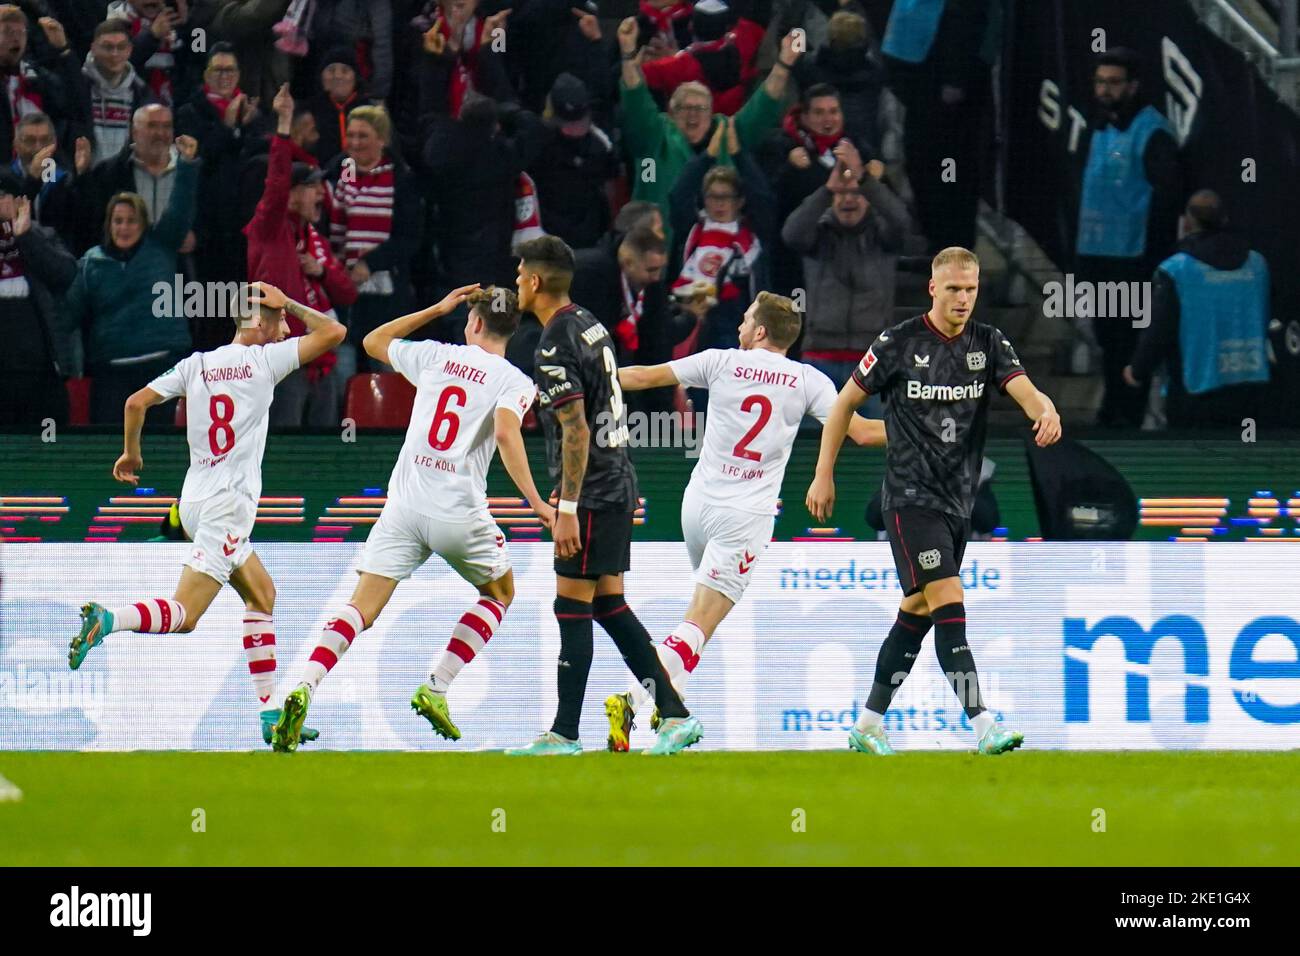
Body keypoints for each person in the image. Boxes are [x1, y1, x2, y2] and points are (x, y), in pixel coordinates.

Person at [270, 286, 554, 750]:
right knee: (500, 593)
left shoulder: (437, 356)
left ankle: (303, 685)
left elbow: (372, 342)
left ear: (475, 323)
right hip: (458, 510)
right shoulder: (517, 382)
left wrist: (436, 307)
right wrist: (537, 502)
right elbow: (506, 432)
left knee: (360, 609)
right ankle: (436, 686)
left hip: (404, 506)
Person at [806, 246, 1062, 756]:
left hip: (958, 502)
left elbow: (1026, 390)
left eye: (970, 289)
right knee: (949, 600)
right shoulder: (899, 342)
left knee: (916, 611)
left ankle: (867, 724)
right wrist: (822, 475)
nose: (963, 298)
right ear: (932, 289)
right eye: (953, 289)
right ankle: (984, 724)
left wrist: (1045, 411)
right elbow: (843, 405)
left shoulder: (988, 343)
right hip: (909, 498)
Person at [68, 280, 347, 746]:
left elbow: (135, 402)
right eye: (278, 320)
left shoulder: (196, 365)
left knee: (262, 595)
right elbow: (334, 332)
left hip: (193, 500)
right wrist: (294, 301)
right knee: (187, 612)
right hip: (226, 508)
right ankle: (108, 619)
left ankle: (270, 715)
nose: (284, 329)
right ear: (259, 320)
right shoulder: (264, 361)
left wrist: (130, 455)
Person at [603, 292, 886, 747]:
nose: (738, 327)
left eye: (744, 321)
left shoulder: (721, 362)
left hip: (696, 505)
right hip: (745, 514)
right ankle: (634, 699)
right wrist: (924, 428)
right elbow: (861, 432)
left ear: (759, 332)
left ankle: (672, 716)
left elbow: (641, 376)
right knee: (699, 623)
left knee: (696, 621)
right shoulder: (807, 380)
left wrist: (581, 381)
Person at [505, 235, 700, 756]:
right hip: (618, 480)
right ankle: (676, 716)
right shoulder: (588, 322)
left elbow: (575, 429)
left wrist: (565, 507)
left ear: (536, 280)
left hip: (590, 492)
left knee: (571, 604)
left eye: (521, 271)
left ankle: (564, 733)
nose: (516, 279)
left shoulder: (552, 343)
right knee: (609, 603)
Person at [617, 16, 801, 246]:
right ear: (671, 114)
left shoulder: (729, 134)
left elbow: (763, 106)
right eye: (685, 108)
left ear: (712, 111)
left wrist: (783, 63)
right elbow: (636, 100)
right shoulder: (654, 138)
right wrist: (627, 54)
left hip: (719, 256)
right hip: (661, 256)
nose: (693, 114)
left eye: (701, 108)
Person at [1075, 47, 1180, 428]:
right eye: (1100, 82)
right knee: (1107, 341)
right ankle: (1112, 413)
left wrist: (1154, 261)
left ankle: (1129, 418)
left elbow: (1168, 199)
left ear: (1133, 86)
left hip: (1134, 262)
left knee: (1131, 345)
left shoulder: (1152, 133)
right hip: (1098, 258)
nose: (1105, 90)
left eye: (1114, 83)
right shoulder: (1097, 127)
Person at [63, 134, 199, 425]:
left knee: (159, 453)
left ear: (144, 223)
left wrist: (186, 165)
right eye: (118, 221)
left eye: (132, 220)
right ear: (109, 224)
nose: (124, 227)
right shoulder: (91, 262)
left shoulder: (161, 246)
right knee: (110, 454)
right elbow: (67, 316)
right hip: (111, 372)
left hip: (162, 366)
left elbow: (180, 208)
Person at [244, 83, 357, 427]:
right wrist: (284, 124)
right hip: (280, 355)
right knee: (285, 437)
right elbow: (276, 183)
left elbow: (348, 292)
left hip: (320, 357)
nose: (321, 194)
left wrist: (321, 271)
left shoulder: (313, 238)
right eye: (311, 188)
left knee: (321, 442)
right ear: (292, 196)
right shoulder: (269, 228)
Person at [1123, 190, 1271, 430]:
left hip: (1196, 388)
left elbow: (1160, 329)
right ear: (1224, 219)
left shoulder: (1176, 271)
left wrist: (1138, 370)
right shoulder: (1257, 264)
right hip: (1250, 384)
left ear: (1188, 222)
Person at [781, 138, 909, 398]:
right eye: (841, 193)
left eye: (856, 193)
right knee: (817, 440)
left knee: (873, 438)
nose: (848, 199)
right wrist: (827, 189)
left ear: (869, 197)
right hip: (819, 360)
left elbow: (901, 221)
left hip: (872, 361)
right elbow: (790, 233)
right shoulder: (817, 234)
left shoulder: (883, 236)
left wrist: (866, 180)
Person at [325, 103, 420, 372]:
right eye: (351, 135)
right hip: (342, 294)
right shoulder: (337, 172)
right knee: (341, 372)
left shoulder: (401, 179)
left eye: (363, 136)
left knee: (386, 373)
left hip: (387, 296)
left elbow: (410, 237)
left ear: (382, 139)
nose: (354, 143)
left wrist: (371, 263)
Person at [0, 181, 77, 424]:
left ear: (20, 201)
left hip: (40, 371)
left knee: (46, 450)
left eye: (3, 195)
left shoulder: (41, 234)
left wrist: (25, 236)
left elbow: (65, 274)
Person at [82, 18, 157, 166]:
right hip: (85, 180)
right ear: (93, 48)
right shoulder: (79, 87)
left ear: (129, 50)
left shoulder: (142, 92)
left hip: (125, 179)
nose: (115, 54)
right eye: (107, 47)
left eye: (121, 47)